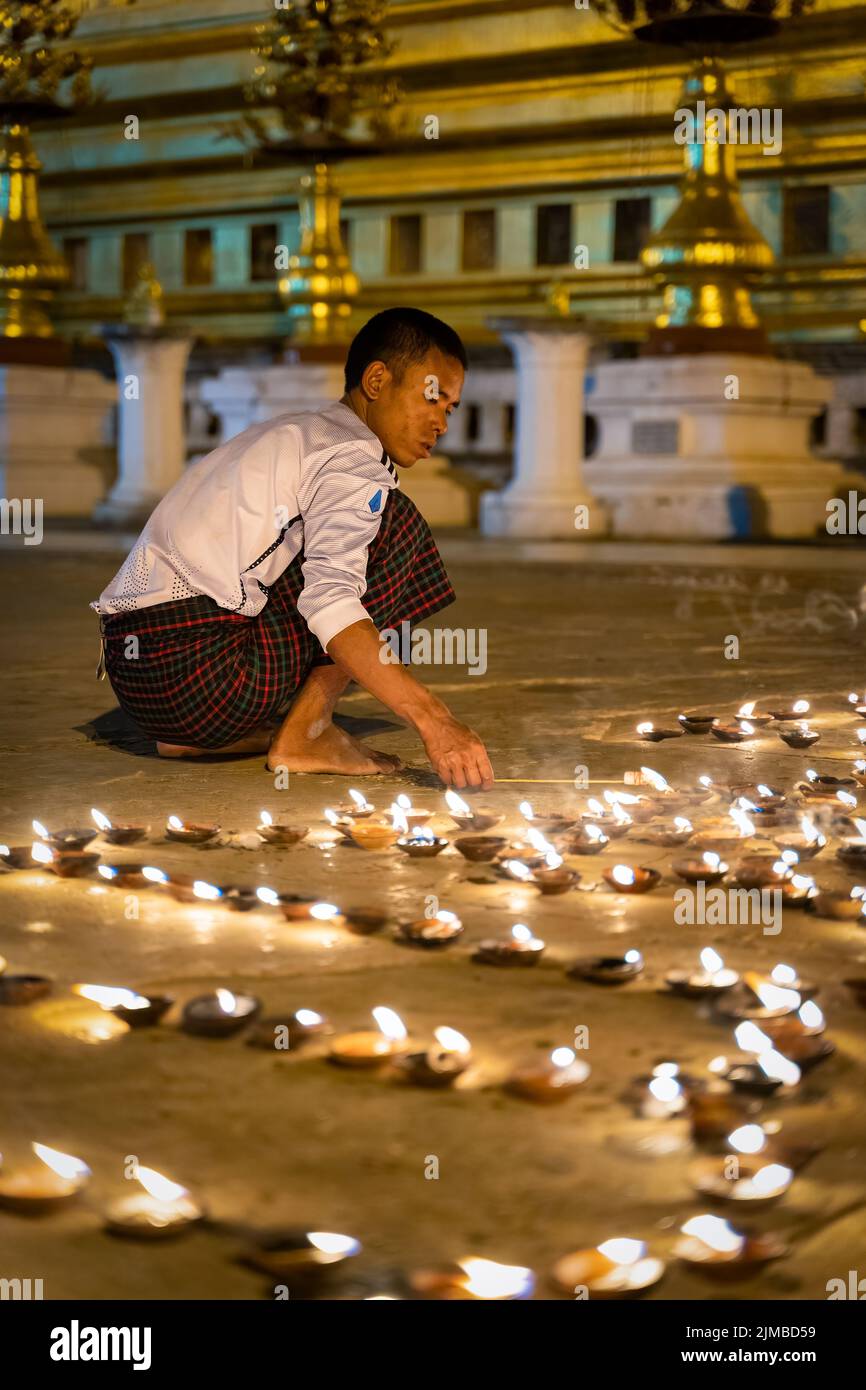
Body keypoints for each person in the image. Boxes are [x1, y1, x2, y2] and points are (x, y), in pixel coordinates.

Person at [92, 306, 495, 790]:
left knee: (334, 549)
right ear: (376, 380)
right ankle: (309, 732)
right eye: (433, 398)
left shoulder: (295, 432)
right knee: (396, 524)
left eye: (450, 409)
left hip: (140, 680)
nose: (442, 424)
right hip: (200, 676)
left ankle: (197, 738)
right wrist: (436, 721)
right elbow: (330, 602)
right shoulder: (350, 462)